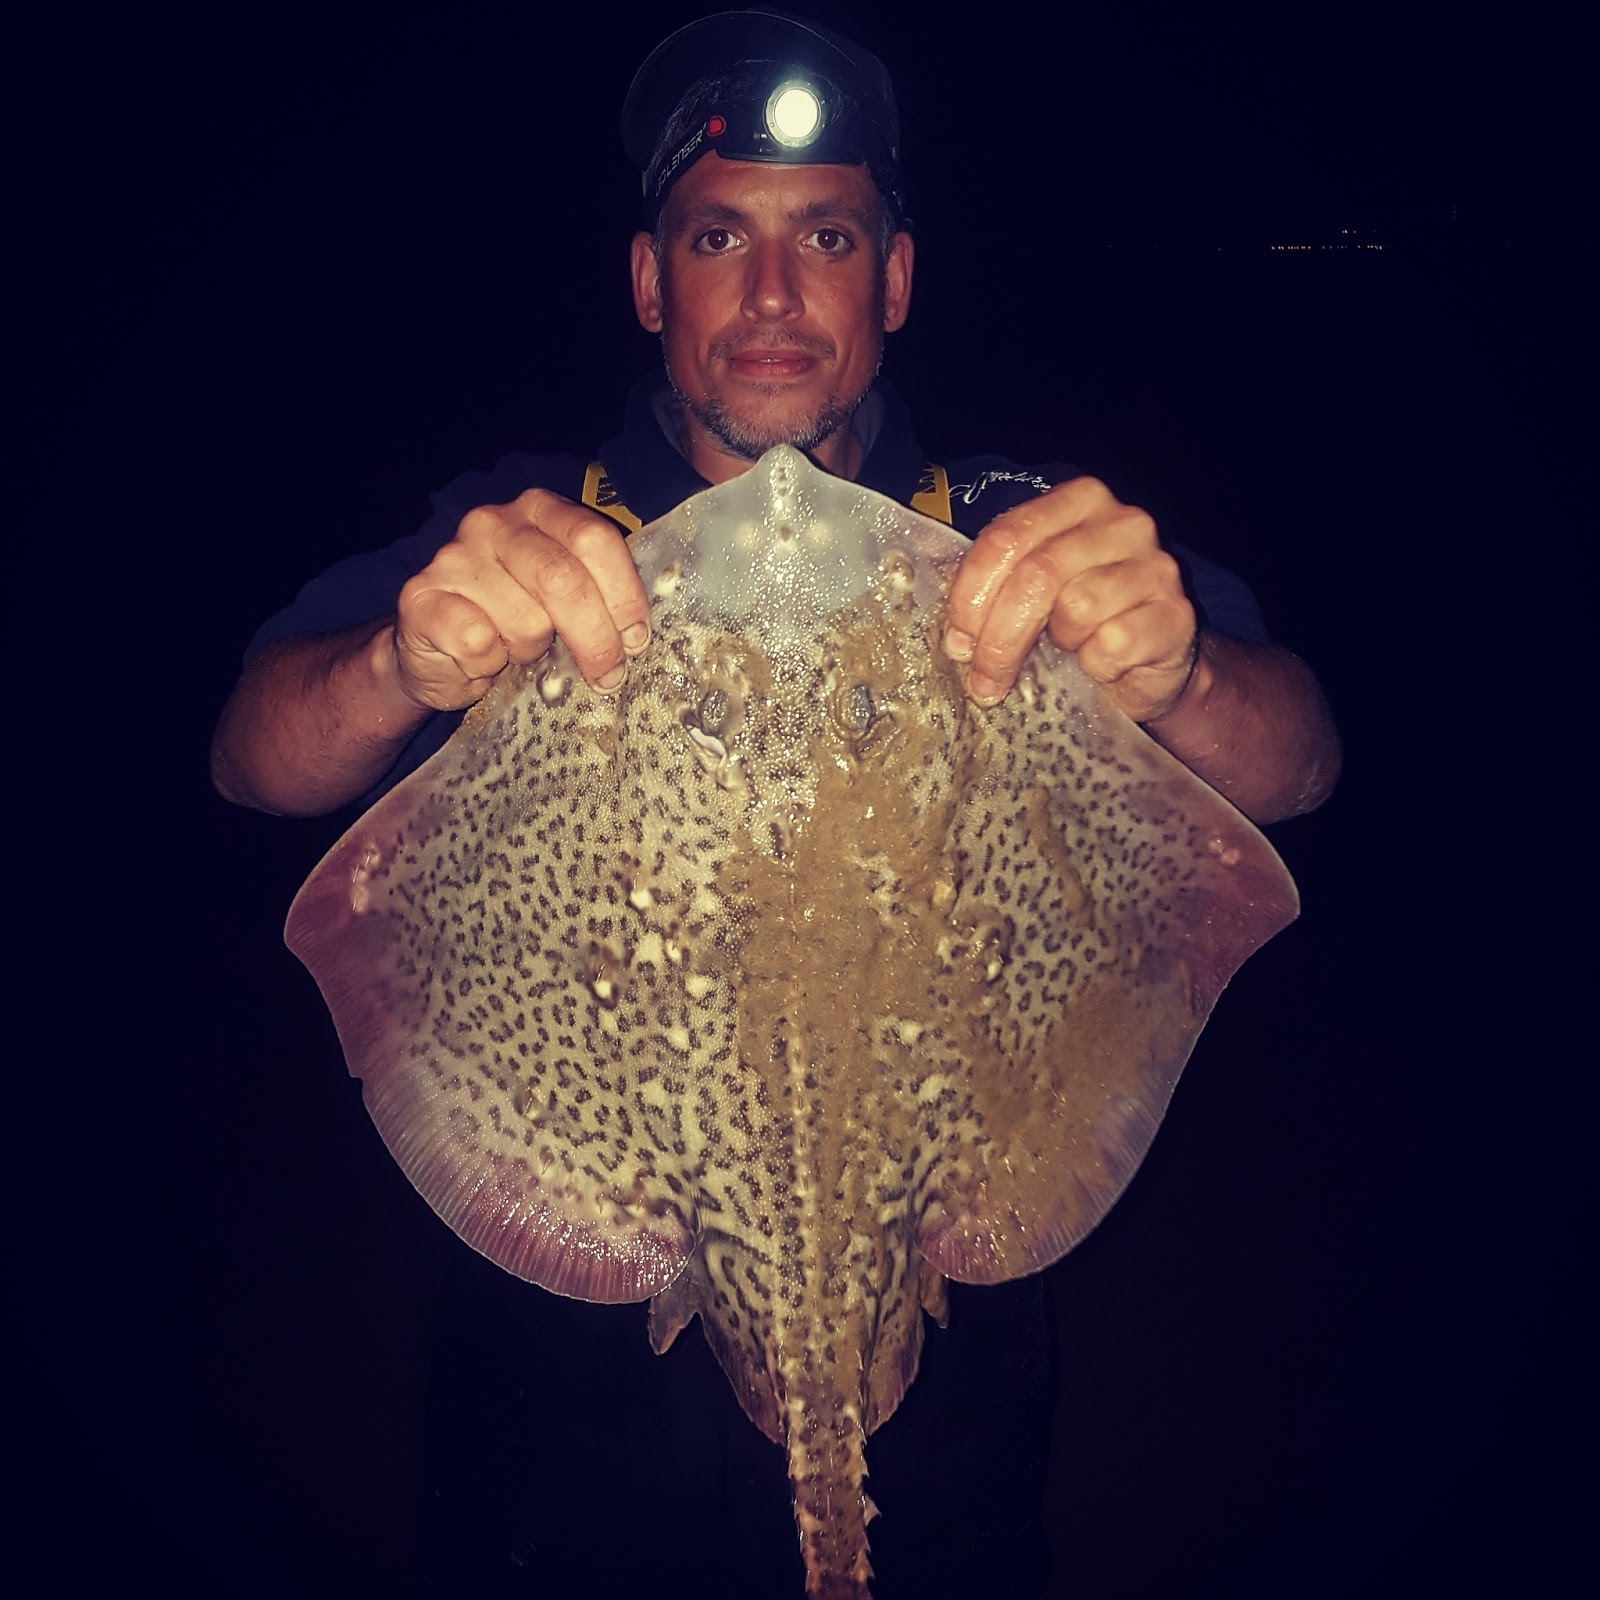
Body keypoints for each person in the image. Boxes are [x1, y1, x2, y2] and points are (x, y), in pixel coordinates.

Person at [212, 10, 1339, 1596]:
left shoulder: (1021, 539)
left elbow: (1298, 763)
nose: (769, 292)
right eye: (717, 236)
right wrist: (405, 659)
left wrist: (1179, 675)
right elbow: (254, 755)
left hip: (952, 1322)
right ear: (650, 282)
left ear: (891, 279)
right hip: (569, 1386)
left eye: (825, 236)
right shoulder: (524, 535)